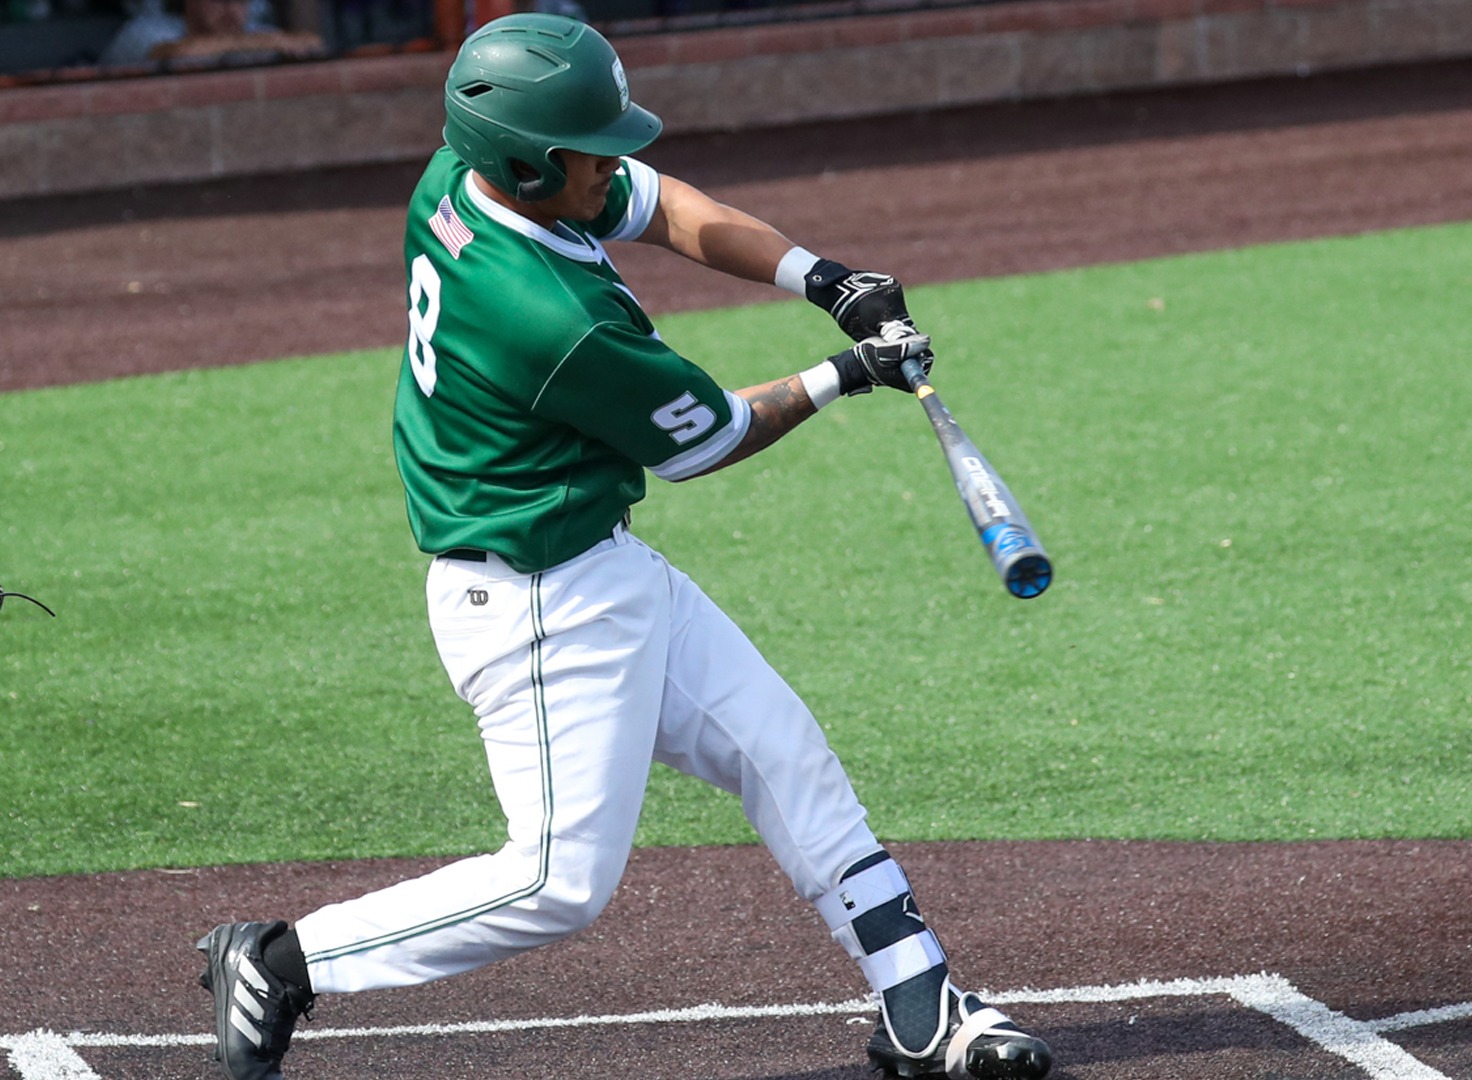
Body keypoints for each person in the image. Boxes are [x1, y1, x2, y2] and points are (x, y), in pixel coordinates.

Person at [193, 13, 1054, 1080]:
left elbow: (667, 206)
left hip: (589, 566)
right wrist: (847, 375)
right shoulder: (552, 320)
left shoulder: (466, 173)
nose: (615, 166)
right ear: (531, 158)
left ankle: (921, 1008)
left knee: (781, 752)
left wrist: (822, 279)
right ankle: (284, 959)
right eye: (593, 151)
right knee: (557, 883)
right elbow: (712, 440)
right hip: (538, 604)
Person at [98, 0, 320, 67]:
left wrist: (268, 41)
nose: (231, 10)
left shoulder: (254, 33)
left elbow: (311, 43)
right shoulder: (142, 30)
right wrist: (259, 43)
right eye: (220, 0)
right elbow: (182, 54)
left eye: (241, 1)